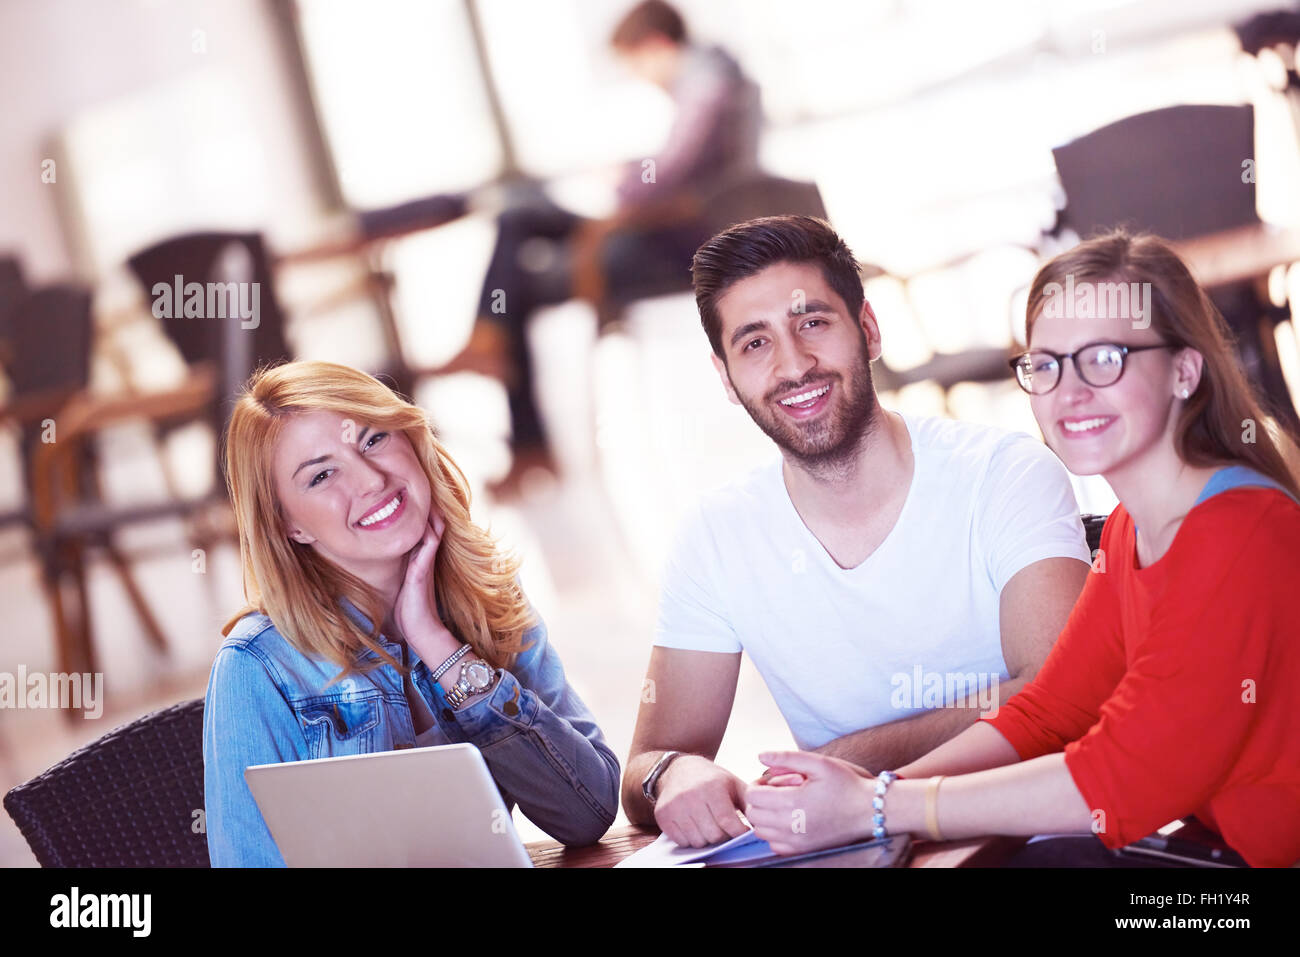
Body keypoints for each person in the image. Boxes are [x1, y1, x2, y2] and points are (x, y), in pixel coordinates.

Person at [744, 230, 1300, 868]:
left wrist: (878, 809)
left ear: (1184, 370)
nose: (1071, 393)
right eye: (1047, 364)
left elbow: (1117, 781)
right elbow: (1051, 712)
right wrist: (874, 794)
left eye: (1106, 358)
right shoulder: (1130, 531)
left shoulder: (1238, 535)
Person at [621, 215, 1094, 848]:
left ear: (868, 329)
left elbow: (1059, 697)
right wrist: (673, 775)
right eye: (754, 343)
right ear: (726, 378)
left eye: (813, 323)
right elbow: (645, 766)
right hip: (858, 853)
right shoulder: (715, 537)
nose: (795, 366)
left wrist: (841, 765)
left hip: (1033, 840)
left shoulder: (1003, 474)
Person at [203, 360, 619, 866]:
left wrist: (441, 649)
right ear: (290, 526)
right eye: (322, 475)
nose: (371, 480)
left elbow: (587, 811)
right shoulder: (255, 666)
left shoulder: (486, 596)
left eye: (373, 440)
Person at [444, 0, 761, 494]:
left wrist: (624, 189)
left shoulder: (710, 83)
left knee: (522, 286)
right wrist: (628, 183)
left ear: (655, 47)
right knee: (518, 213)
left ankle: (526, 434)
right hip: (644, 223)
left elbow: (672, 173)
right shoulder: (711, 79)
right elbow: (670, 169)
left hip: (671, 241)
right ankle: (489, 336)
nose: (640, 78)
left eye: (634, 65)